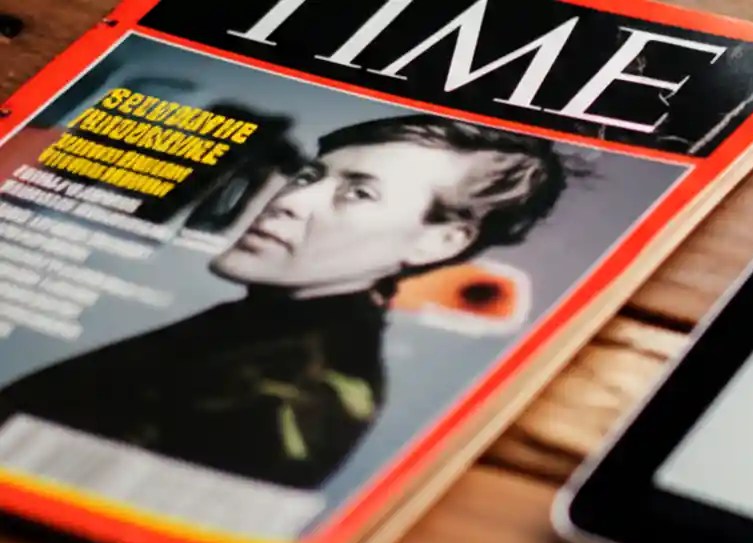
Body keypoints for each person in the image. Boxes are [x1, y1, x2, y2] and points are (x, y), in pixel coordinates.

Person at [0, 114, 567, 490]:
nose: (289, 202)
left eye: (358, 193)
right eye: (310, 176)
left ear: (438, 241)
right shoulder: (264, 326)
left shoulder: (301, 388)